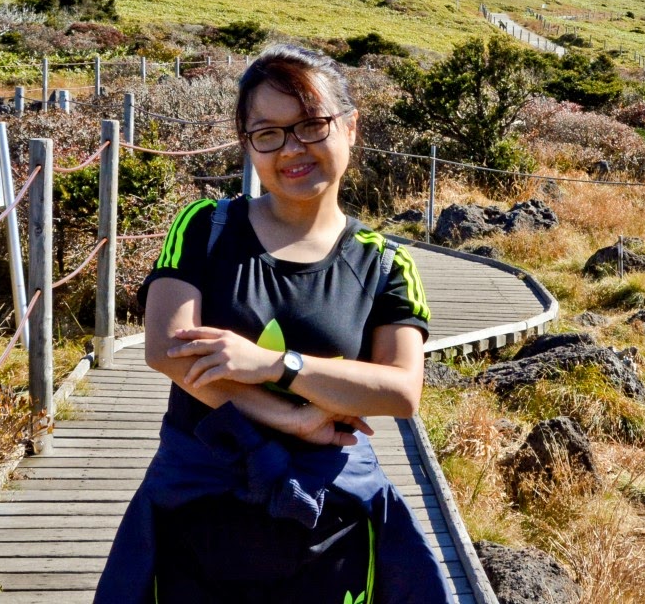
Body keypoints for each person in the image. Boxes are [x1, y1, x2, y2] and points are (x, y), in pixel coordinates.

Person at [96, 44, 454, 604]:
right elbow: (166, 348)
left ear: (351, 126)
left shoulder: (383, 261)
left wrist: (271, 365)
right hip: (200, 515)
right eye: (269, 133)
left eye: (311, 125)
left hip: (327, 523)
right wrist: (294, 419)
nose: (292, 149)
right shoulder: (206, 227)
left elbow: (401, 390)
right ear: (248, 143)